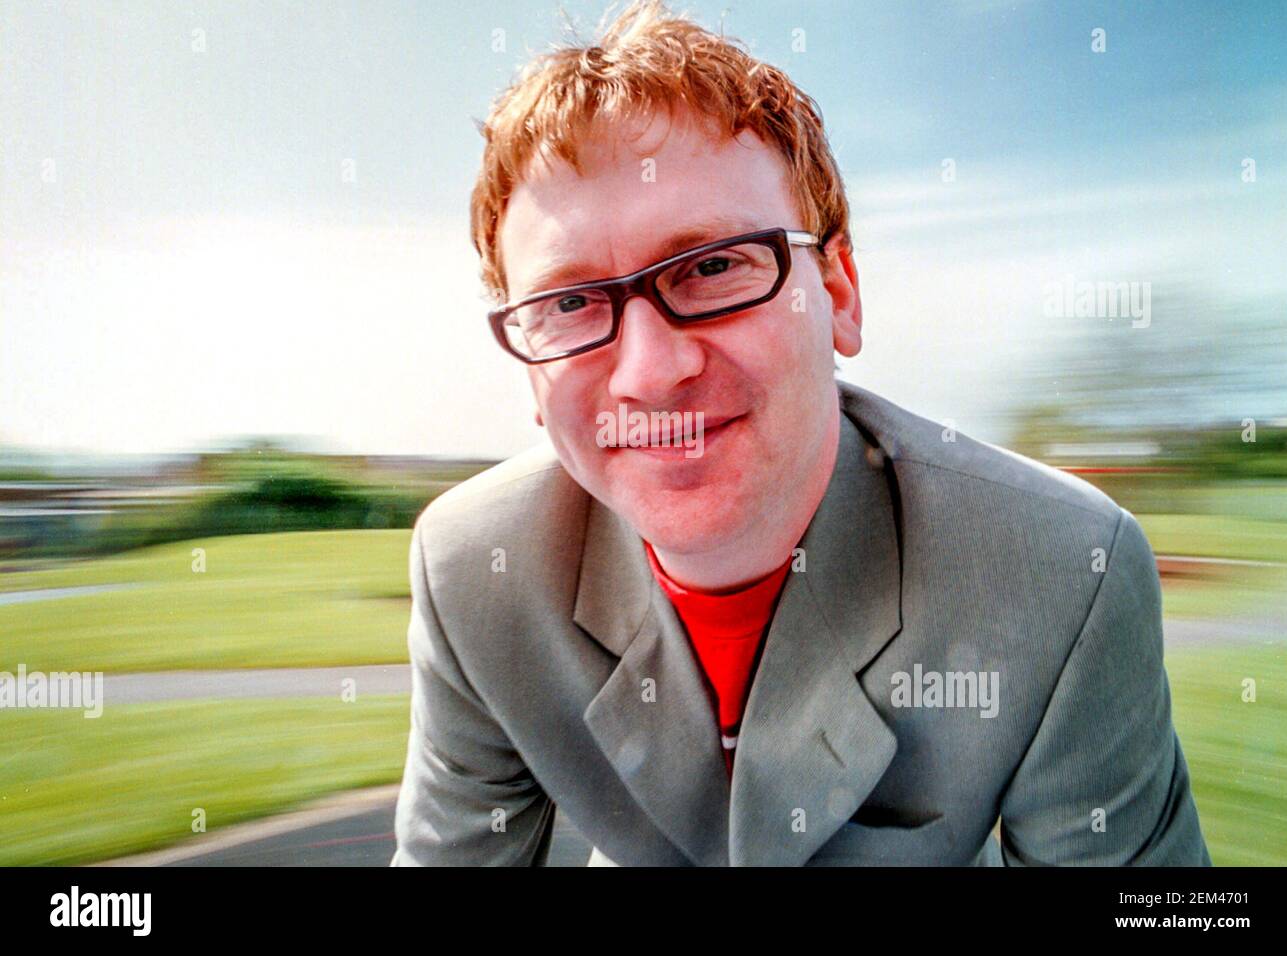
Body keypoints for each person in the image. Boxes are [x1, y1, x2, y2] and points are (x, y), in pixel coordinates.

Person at [391, 0, 1211, 866]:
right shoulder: (472, 574)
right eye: (567, 304)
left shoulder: (1062, 574)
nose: (648, 373)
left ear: (840, 294)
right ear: (529, 367)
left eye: (712, 266)